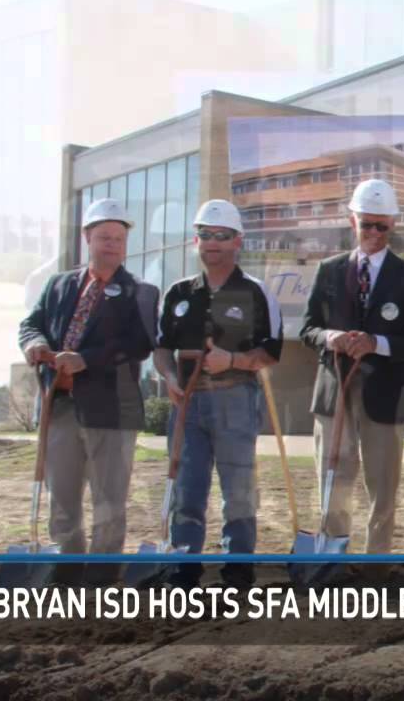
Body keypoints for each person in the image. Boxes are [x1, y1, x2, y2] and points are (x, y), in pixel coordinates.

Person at [18, 198, 159, 571]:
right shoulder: (59, 285)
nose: (111, 244)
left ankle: (101, 578)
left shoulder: (140, 292)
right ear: (87, 239)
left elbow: (139, 344)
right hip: (59, 405)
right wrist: (34, 343)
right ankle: (66, 571)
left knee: (108, 502)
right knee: (61, 499)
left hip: (112, 409)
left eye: (118, 238)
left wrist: (86, 359)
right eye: (103, 237)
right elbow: (30, 324)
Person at [299, 180, 404, 558]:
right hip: (334, 393)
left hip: (385, 395)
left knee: (382, 485)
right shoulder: (328, 271)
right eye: (366, 224)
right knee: (334, 481)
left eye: (381, 226)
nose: (373, 233)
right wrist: (331, 337)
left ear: (393, 225)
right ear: (351, 220)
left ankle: (376, 563)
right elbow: (306, 329)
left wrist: (379, 343)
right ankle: (332, 558)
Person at [154, 199, 282, 587]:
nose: (212, 243)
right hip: (187, 404)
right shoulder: (178, 293)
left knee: (238, 490)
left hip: (236, 401)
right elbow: (161, 347)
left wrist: (233, 360)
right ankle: (184, 569)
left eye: (221, 236)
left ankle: (238, 569)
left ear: (237, 241)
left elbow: (271, 352)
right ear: (197, 241)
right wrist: (168, 378)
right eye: (205, 236)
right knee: (187, 488)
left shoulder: (255, 291)